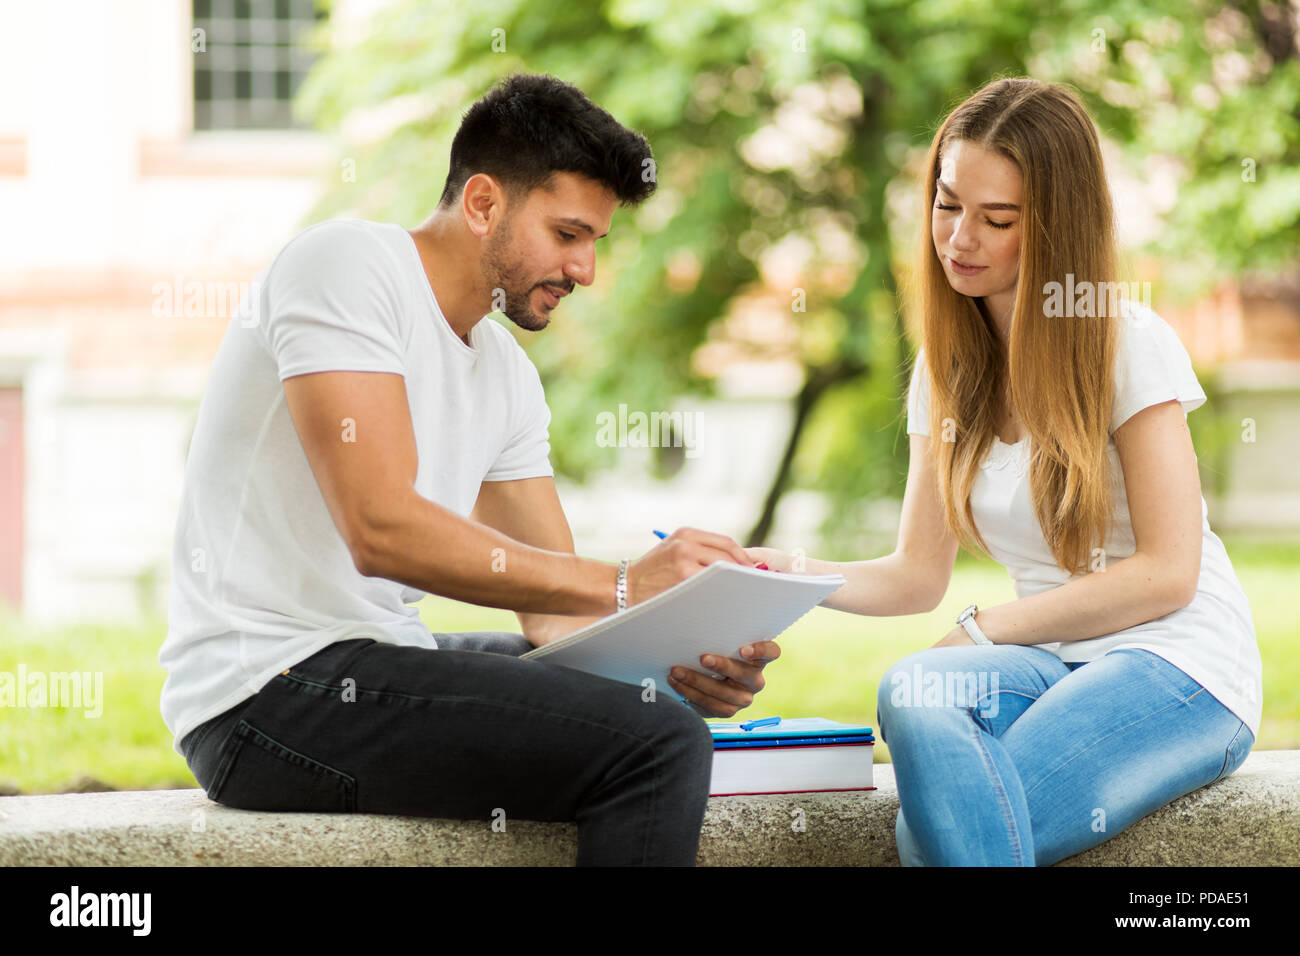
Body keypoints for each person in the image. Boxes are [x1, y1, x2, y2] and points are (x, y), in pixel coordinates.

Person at [159, 73, 779, 867]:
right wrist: (627, 581)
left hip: (377, 656)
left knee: (649, 704)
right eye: (567, 234)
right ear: (483, 202)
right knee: (654, 744)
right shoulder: (346, 266)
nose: (586, 269)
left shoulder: (505, 371)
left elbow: (555, 613)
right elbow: (380, 531)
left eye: (596, 242)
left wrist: (682, 658)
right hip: (263, 695)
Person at [747, 77, 1263, 866]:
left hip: (1178, 664)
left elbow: (1167, 574)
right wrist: (776, 571)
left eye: (998, 220)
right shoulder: (945, 370)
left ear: (1056, 229)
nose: (959, 238)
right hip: (1049, 662)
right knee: (911, 692)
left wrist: (983, 628)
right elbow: (916, 576)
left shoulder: (1127, 343)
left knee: (928, 841)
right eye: (948, 204)